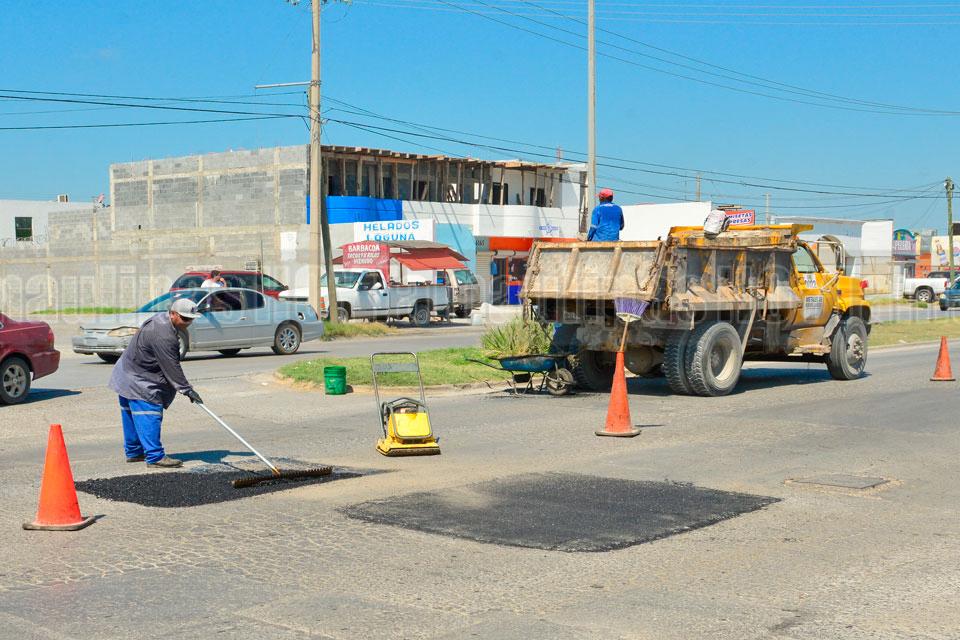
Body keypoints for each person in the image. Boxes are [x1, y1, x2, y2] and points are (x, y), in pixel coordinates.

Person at [108, 298, 204, 468]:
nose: (188, 322)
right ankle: (154, 457)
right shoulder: (163, 334)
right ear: (173, 314)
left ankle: (134, 452)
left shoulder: (161, 319)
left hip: (126, 373)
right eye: (185, 318)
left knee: (130, 414)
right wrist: (186, 389)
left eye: (191, 319)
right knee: (149, 414)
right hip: (139, 379)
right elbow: (171, 366)